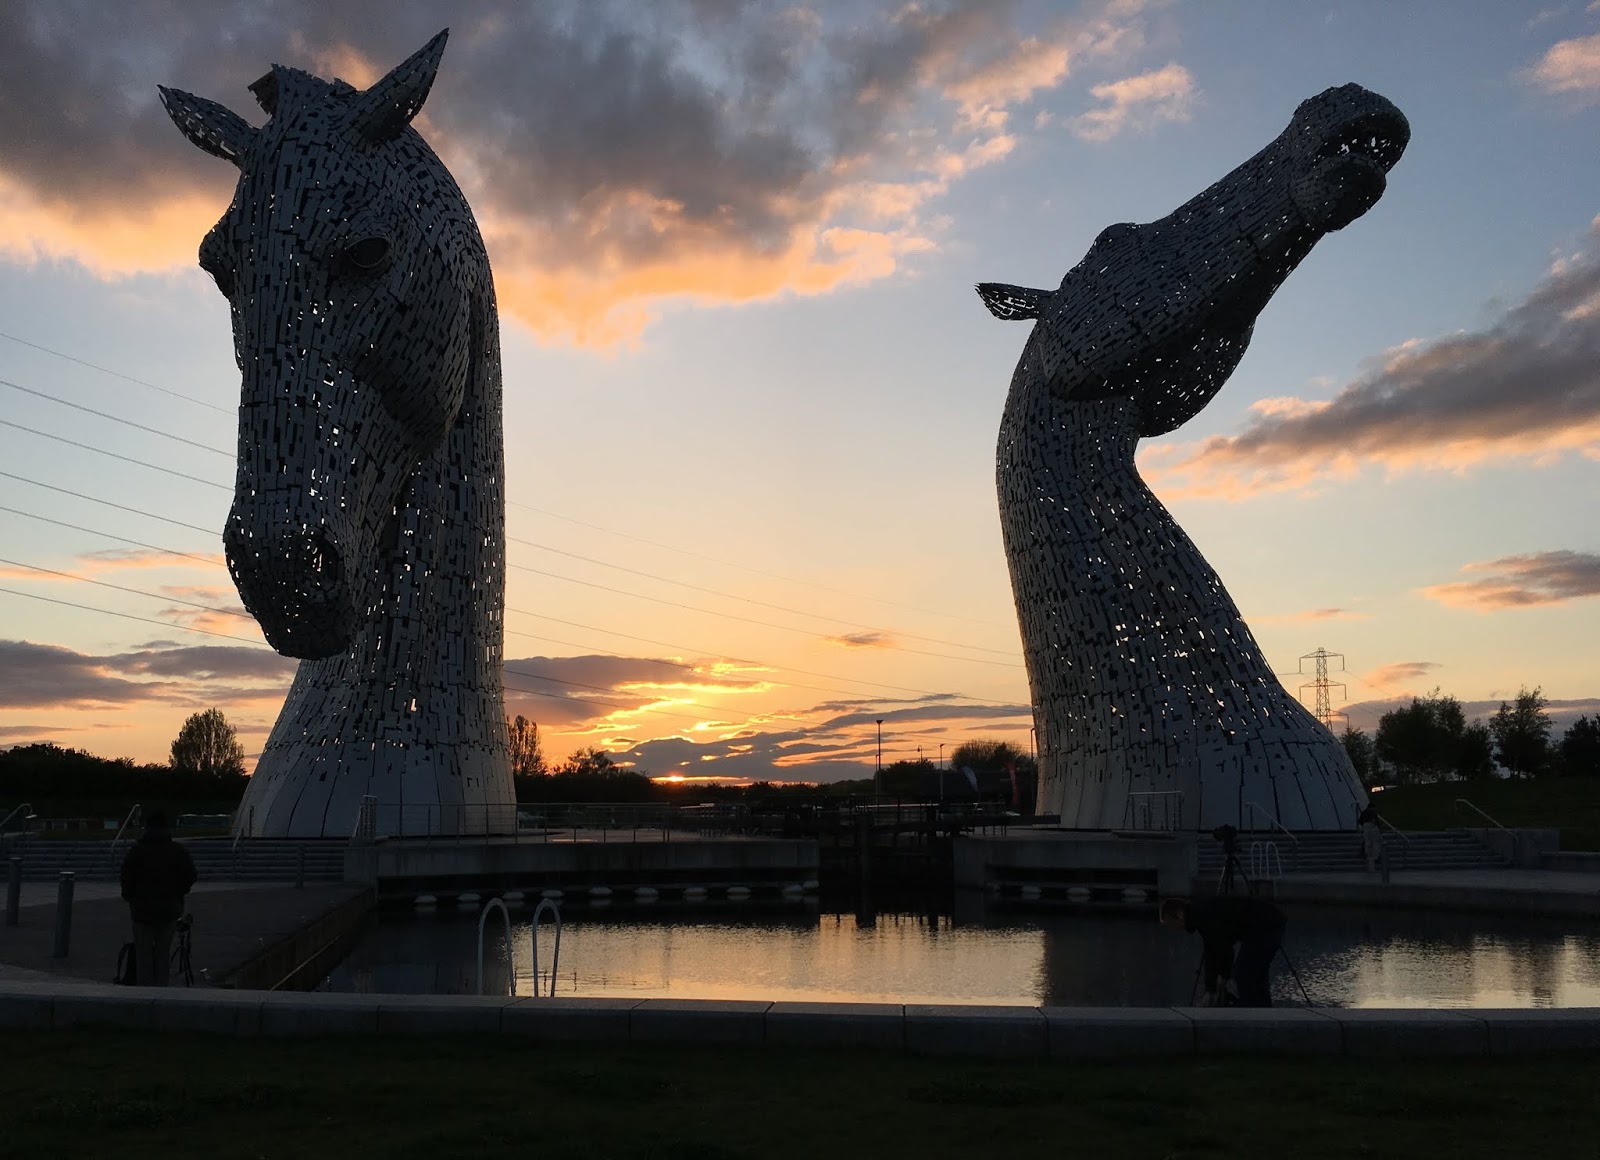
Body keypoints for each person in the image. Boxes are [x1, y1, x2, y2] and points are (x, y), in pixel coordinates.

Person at [1160, 894, 1286, 1007]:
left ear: (1178, 915)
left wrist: (1222, 978)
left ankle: (1253, 1010)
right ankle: (1261, 1010)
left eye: (1170, 924)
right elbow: (1213, 950)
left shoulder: (1203, 915)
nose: (1173, 929)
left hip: (1266, 926)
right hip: (1267, 923)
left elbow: (1221, 948)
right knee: (1254, 972)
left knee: (1244, 972)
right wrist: (1213, 986)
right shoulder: (1200, 913)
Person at [119, 809, 198, 986]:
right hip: (169, 909)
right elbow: (191, 875)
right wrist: (179, 893)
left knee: (143, 954)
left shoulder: (137, 851)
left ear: (147, 828)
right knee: (163, 954)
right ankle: (161, 990)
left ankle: (144, 991)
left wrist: (131, 898)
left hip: (141, 911)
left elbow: (126, 877)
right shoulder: (177, 851)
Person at [1357, 803, 1383, 872]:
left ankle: (1368, 857)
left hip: (1366, 828)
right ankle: (1375, 857)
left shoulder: (1364, 812)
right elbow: (1375, 820)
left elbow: (1360, 821)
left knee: (1368, 843)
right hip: (1372, 828)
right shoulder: (1372, 812)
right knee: (1375, 843)